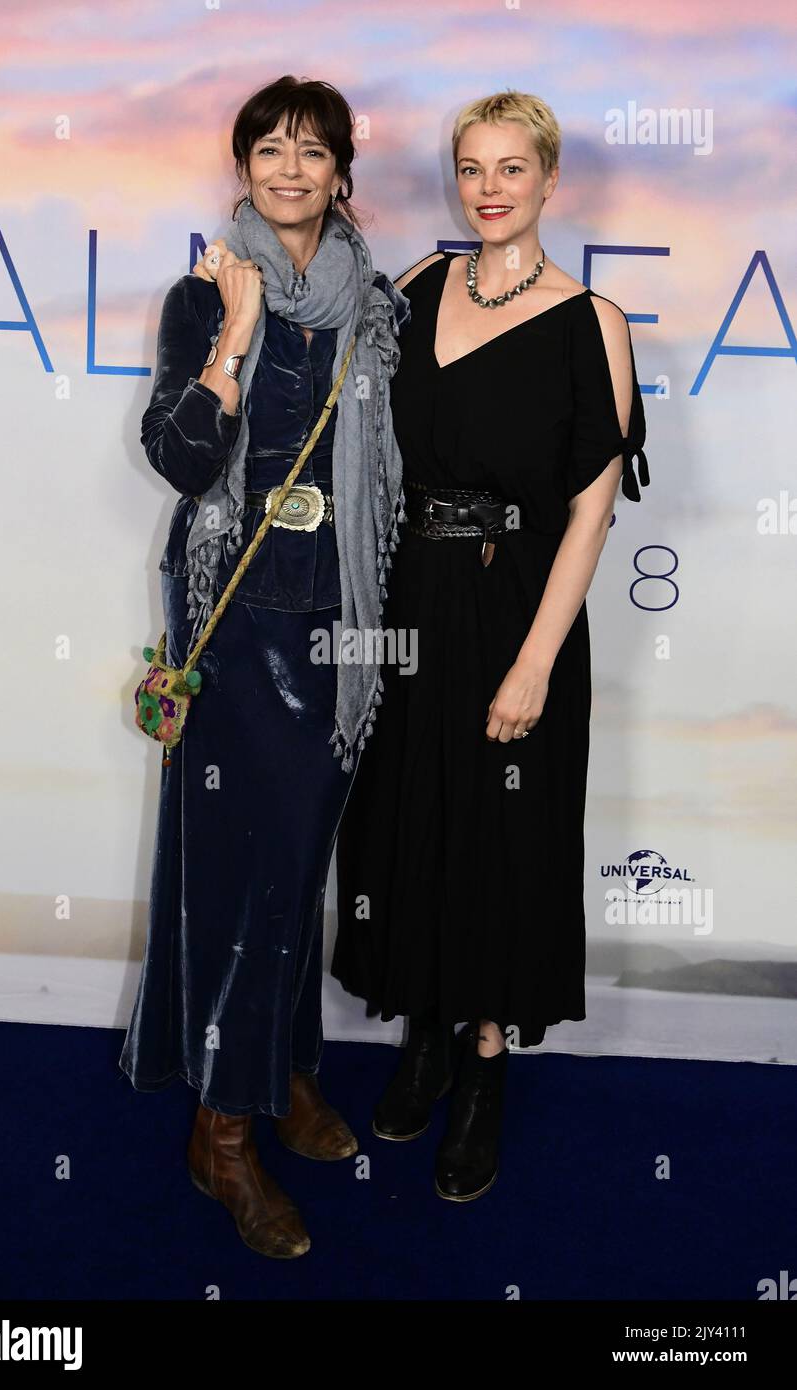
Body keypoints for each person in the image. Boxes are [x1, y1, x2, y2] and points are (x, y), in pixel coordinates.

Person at [331, 88, 651, 1202]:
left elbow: (589, 511)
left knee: (500, 838)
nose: (490, 187)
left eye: (512, 168)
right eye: (472, 167)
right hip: (409, 596)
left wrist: (532, 660)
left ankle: (481, 1068)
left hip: (518, 604)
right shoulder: (415, 290)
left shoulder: (589, 321)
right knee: (404, 817)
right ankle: (418, 1033)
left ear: (548, 181)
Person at [119, 75, 408, 1258]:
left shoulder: (376, 309)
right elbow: (183, 462)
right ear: (241, 166)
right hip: (234, 632)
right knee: (242, 879)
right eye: (269, 149)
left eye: (311, 150)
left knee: (299, 870)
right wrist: (235, 338)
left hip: (339, 630)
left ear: (343, 168)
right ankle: (221, 1134)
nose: (289, 168)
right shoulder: (202, 296)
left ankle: (284, 1073)